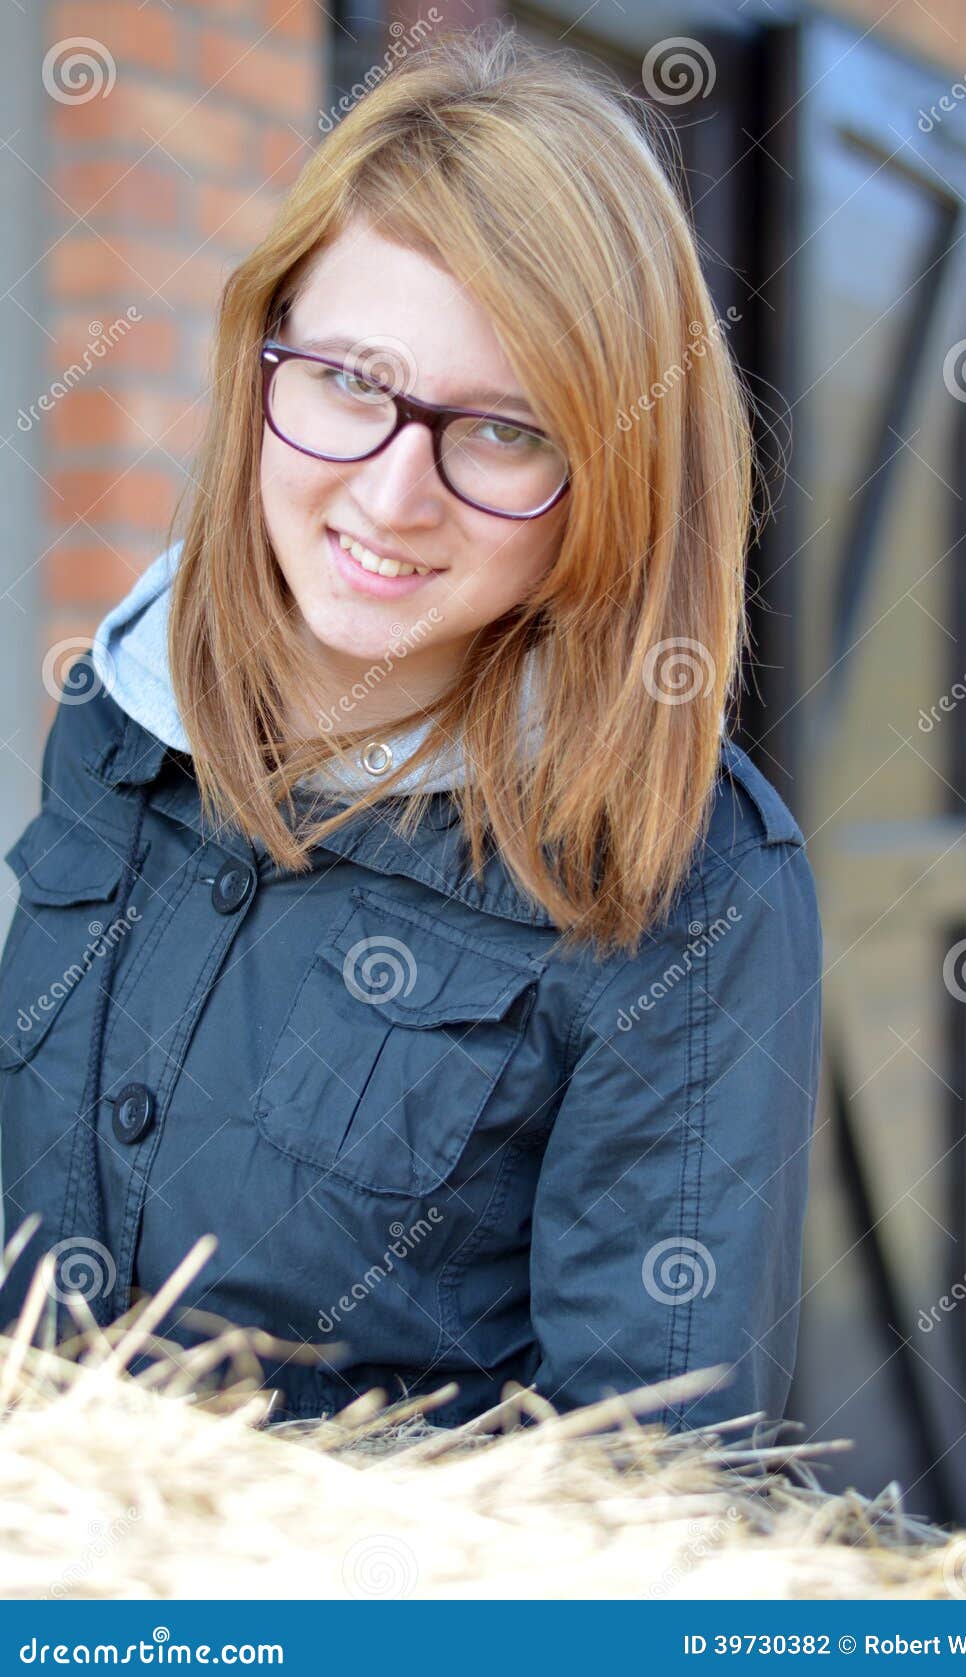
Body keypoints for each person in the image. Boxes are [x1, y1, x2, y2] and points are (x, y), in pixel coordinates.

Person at [0, 25, 822, 1435]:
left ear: (610, 475)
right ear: (264, 363)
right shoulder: (122, 713)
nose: (391, 497)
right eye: (352, 382)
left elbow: (646, 1497)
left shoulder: (695, 890)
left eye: (503, 429)